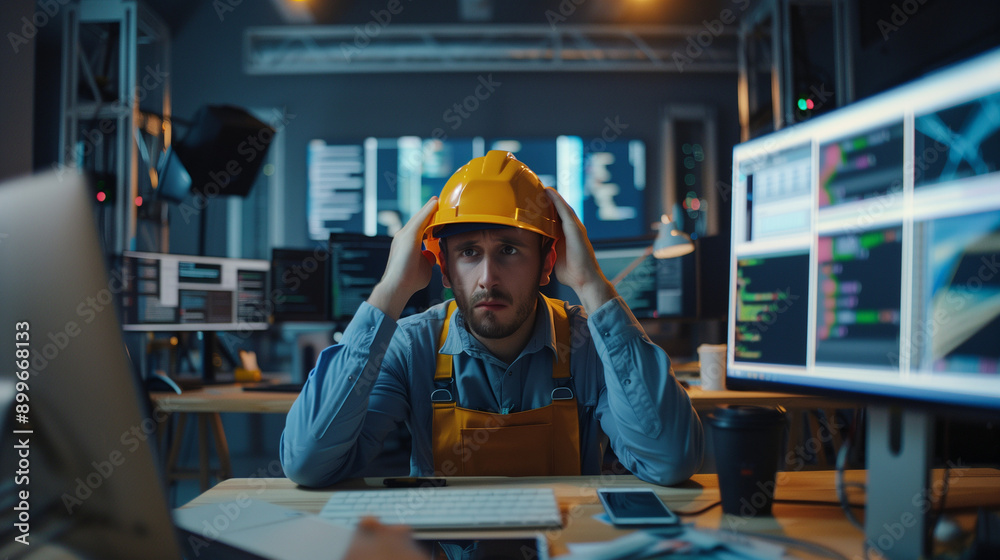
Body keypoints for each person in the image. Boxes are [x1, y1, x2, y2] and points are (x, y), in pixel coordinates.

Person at [280, 150, 703, 487]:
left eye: (509, 250)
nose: (487, 279)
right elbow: (307, 464)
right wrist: (390, 290)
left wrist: (592, 284)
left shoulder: (588, 346)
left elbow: (669, 460)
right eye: (468, 253)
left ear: (546, 264)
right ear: (444, 269)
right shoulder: (412, 349)